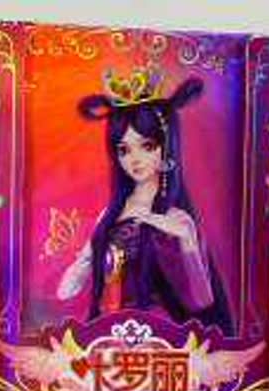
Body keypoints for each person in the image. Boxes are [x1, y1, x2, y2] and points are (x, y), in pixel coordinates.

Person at [57, 72, 234, 336]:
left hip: (160, 332)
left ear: (166, 149)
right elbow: (66, 290)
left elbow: (202, 301)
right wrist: (88, 259)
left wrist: (186, 240)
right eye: (124, 150)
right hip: (110, 330)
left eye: (147, 146)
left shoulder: (178, 219)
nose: (134, 159)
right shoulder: (111, 214)